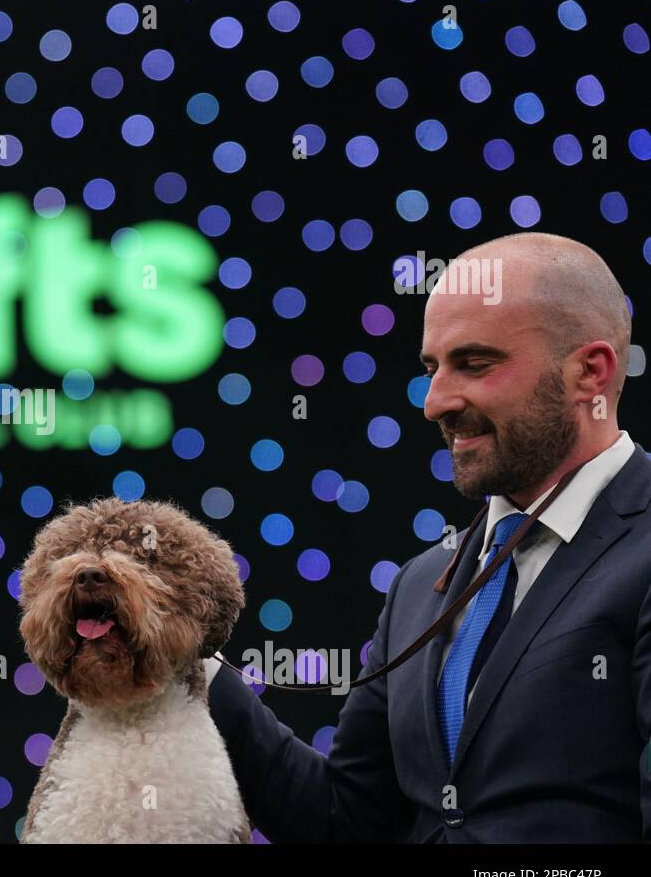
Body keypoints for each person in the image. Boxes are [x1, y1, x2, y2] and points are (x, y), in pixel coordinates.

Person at [209, 232, 650, 841]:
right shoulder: (422, 583)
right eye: (430, 368)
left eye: (474, 364)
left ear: (590, 373)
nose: (434, 402)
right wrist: (192, 674)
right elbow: (347, 824)